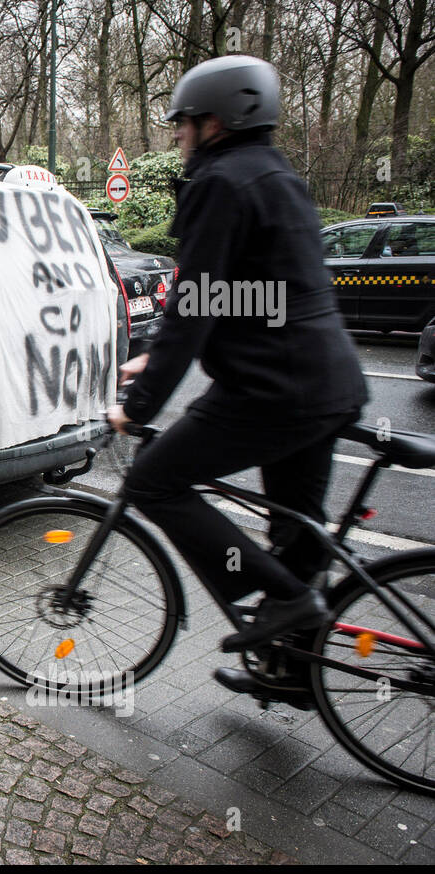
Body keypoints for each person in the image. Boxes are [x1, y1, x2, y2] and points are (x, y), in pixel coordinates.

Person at [106, 56, 368, 703]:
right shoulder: (280, 175)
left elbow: (193, 304)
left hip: (273, 391)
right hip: (328, 383)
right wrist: (157, 356)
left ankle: (284, 602)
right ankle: (294, 671)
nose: (178, 136)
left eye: (184, 123)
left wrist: (138, 405)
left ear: (215, 121)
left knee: (152, 480)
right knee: (297, 533)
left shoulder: (219, 183)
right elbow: (250, 293)